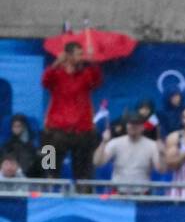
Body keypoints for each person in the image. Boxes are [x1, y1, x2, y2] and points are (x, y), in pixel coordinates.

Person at [41, 41, 102, 182]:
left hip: (82, 129)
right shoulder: (56, 73)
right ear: (68, 56)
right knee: (47, 163)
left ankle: (83, 196)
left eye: (83, 54)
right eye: (79, 54)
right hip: (56, 129)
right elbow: (44, 82)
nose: (82, 57)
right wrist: (56, 63)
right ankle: (47, 191)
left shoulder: (86, 74)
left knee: (84, 172)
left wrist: (93, 62)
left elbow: (97, 81)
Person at [92, 113, 162, 195]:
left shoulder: (152, 145)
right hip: (118, 195)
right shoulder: (115, 143)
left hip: (142, 196)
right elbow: (97, 162)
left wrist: (162, 154)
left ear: (143, 127)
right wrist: (103, 142)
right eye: (130, 124)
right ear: (127, 126)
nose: (133, 127)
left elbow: (161, 169)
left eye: (136, 124)